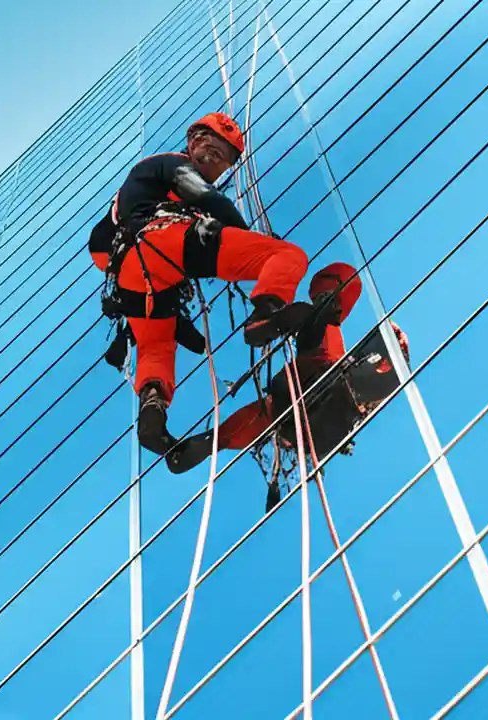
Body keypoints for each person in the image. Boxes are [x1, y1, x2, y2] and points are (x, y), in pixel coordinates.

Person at [89, 112, 311, 454]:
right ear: (191, 141)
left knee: (156, 347)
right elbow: (207, 197)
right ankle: (267, 309)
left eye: (221, 156)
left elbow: (98, 249)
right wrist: (242, 234)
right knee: (285, 255)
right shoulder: (169, 164)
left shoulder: (130, 195)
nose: (212, 156)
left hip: (134, 278)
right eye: (208, 144)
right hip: (168, 244)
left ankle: (153, 405)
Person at [166, 262, 410, 482]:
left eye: (330, 297)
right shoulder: (324, 334)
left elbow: (257, 338)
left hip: (315, 395)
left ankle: (216, 441)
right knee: (277, 406)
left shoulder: (321, 332)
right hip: (317, 400)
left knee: (273, 409)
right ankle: (216, 441)